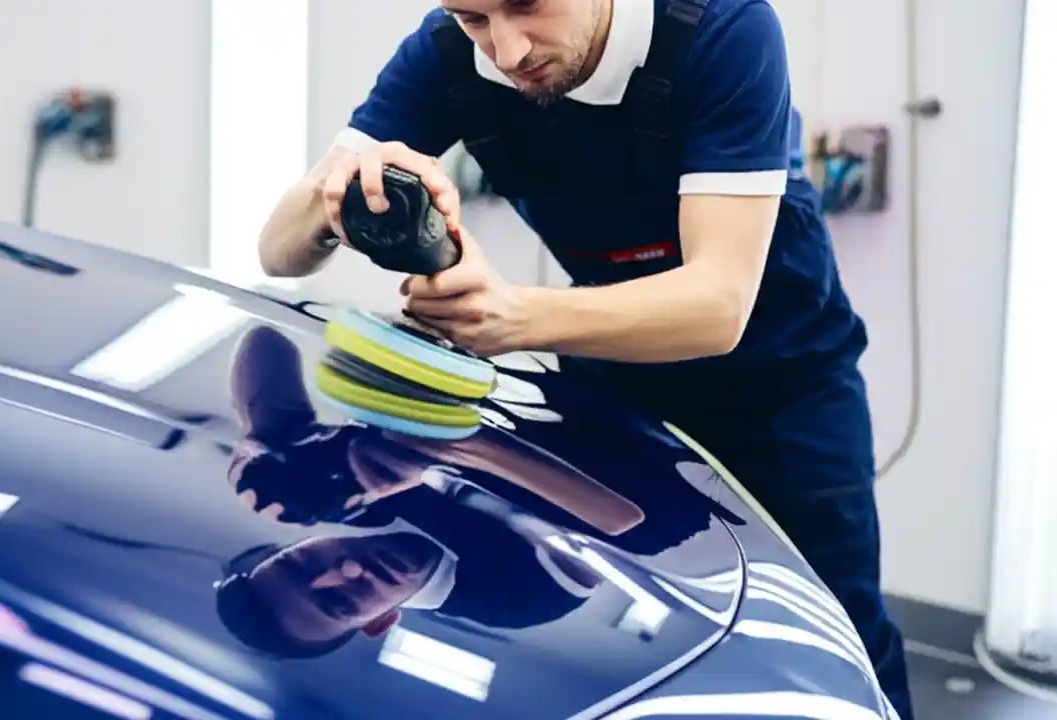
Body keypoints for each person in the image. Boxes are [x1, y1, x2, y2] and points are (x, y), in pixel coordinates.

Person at [257, 0, 913, 716]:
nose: (506, 51)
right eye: (476, 18)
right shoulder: (445, 51)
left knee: (834, 639)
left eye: (526, 5)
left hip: (785, 393)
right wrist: (346, 189)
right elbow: (277, 250)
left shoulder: (724, 30)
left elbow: (717, 305)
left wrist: (511, 317)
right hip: (614, 376)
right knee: (673, 639)